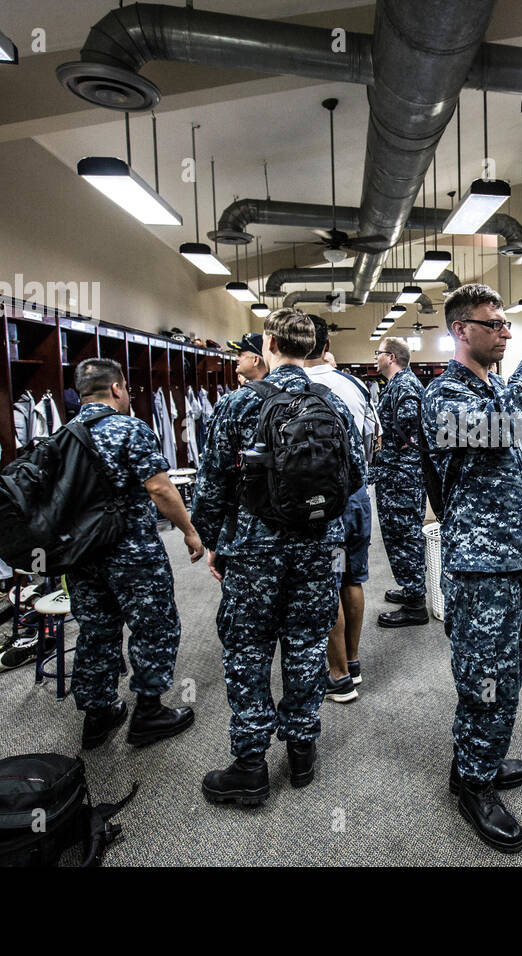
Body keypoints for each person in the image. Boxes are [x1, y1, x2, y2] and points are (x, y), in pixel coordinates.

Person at [192, 308, 366, 805]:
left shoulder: (238, 404)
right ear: (311, 347)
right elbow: (356, 479)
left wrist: (214, 544)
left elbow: (209, 489)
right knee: (308, 643)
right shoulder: (331, 401)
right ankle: (303, 752)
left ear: (268, 344)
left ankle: (250, 766)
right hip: (319, 549)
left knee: (248, 650)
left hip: (253, 551)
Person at [423, 283, 522, 854]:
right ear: (462, 330)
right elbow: (500, 430)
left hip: (515, 556)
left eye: (509, 325)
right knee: (485, 679)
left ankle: (474, 759)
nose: (507, 332)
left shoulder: (503, 388)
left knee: (508, 672)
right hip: (480, 566)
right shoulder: (444, 397)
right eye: (496, 324)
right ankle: (474, 785)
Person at [65, 358, 203, 750]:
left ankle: (98, 714)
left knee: (96, 630)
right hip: (132, 553)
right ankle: (148, 711)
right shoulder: (129, 429)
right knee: (154, 626)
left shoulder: (65, 435)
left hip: (82, 554)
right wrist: (189, 531)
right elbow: (160, 489)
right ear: (116, 389)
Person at [305, 316, 376, 704]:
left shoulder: (301, 387)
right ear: (327, 344)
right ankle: (353, 660)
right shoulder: (352, 383)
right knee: (353, 578)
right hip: (357, 497)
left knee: (330, 578)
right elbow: (370, 438)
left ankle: (338, 676)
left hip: (326, 508)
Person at [372, 337, 429, 628]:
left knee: (404, 537)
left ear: (391, 357)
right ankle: (411, 589)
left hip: (401, 477)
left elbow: (411, 432)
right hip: (396, 474)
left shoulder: (405, 386)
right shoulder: (399, 384)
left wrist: (394, 451)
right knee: (400, 536)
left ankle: (416, 604)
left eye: (378, 353)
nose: (375, 358)